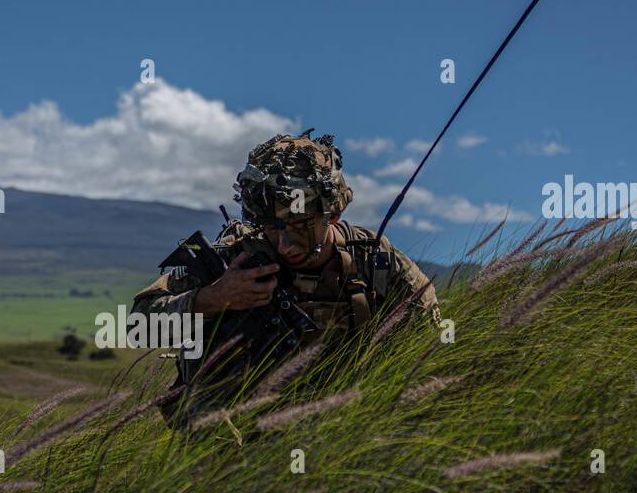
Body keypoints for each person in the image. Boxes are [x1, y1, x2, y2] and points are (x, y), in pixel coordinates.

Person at [132, 131, 440, 423]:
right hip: (225, 449)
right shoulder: (235, 261)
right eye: (271, 227)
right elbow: (138, 328)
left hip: (342, 433)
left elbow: (431, 344)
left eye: (298, 226)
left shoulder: (373, 259)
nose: (283, 244)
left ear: (332, 214)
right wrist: (213, 299)